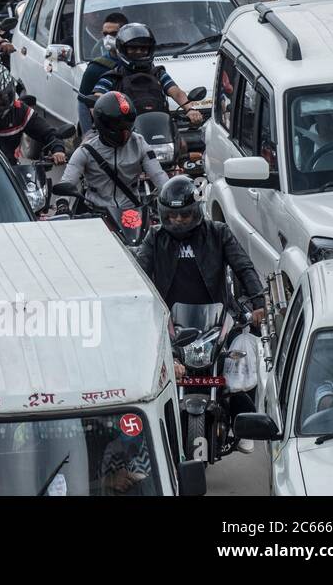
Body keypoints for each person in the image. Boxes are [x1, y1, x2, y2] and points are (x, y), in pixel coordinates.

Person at [137, 175, 266, 405]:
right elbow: (138, 275)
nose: (178, 220)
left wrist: (259, 303)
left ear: (196, 210)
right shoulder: (155, 238)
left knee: (244, 368)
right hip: (172, 325)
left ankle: (246, 427)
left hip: (217, 321)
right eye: (172, 216)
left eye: (184, 214)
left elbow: (243, 267)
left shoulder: (218, 233)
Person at [58, 90, 168, 223]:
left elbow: (158, 175)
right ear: (102, 125)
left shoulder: (139, 143)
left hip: (132, 215)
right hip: (95, 215)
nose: (125, 134)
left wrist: (171, 193)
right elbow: (67, 181)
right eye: (119, 128)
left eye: (128, 127)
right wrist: (62, 204)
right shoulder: (86, 150)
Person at [92, 23, 204, 124]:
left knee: (183, 145)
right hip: (125, 133)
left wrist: (190, 109)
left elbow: (176, 92)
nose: (139, 52)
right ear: (122, 49)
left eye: (143, 48)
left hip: (161, 128)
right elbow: (97, 99)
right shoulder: (112, 77)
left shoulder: (158, 73)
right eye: (133, 48)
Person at [0, 62, 66, 164]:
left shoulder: (20, 110)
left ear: (9, 93)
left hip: (11, 169)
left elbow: (47, 132)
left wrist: (57, 149)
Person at [77, 11, 127, 132]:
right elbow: (84, 104)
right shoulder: (96, 68)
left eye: (114, 34)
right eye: (105, 34)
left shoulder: (142, 62)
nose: (108, 38)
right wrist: (89, 136)